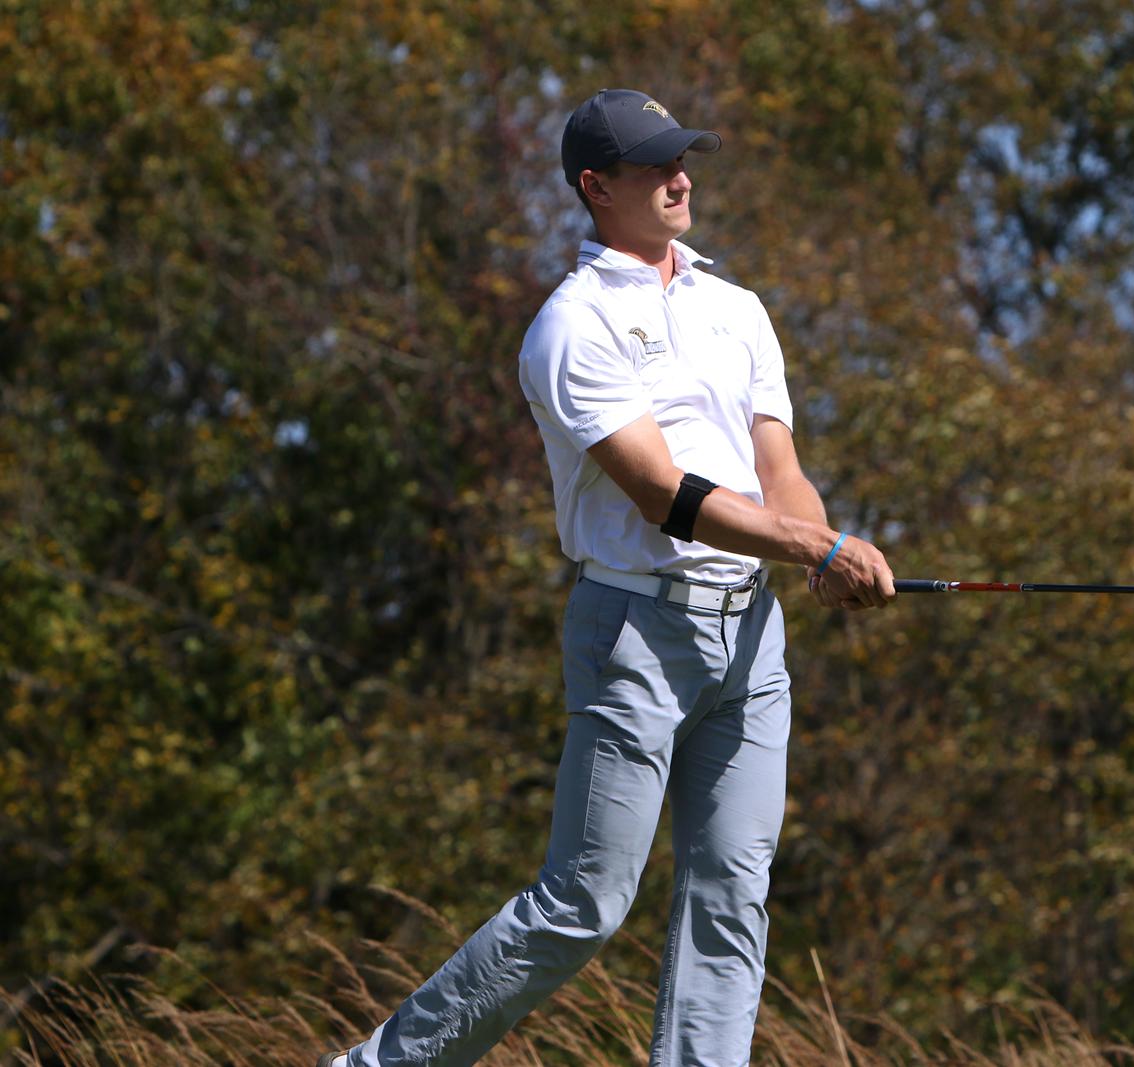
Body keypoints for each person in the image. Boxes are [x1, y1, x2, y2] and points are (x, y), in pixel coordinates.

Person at [317, 88, 896, 1067]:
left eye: (683, 159)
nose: (681, 178)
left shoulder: (736, 309)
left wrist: (823, 546)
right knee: (583, 900)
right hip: (635, 635)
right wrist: (813, 551)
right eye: (653, 167)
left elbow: (776, 461)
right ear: (595, 187)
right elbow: (660, 491)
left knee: (731, 894)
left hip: (750, 640)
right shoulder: (571, 327)